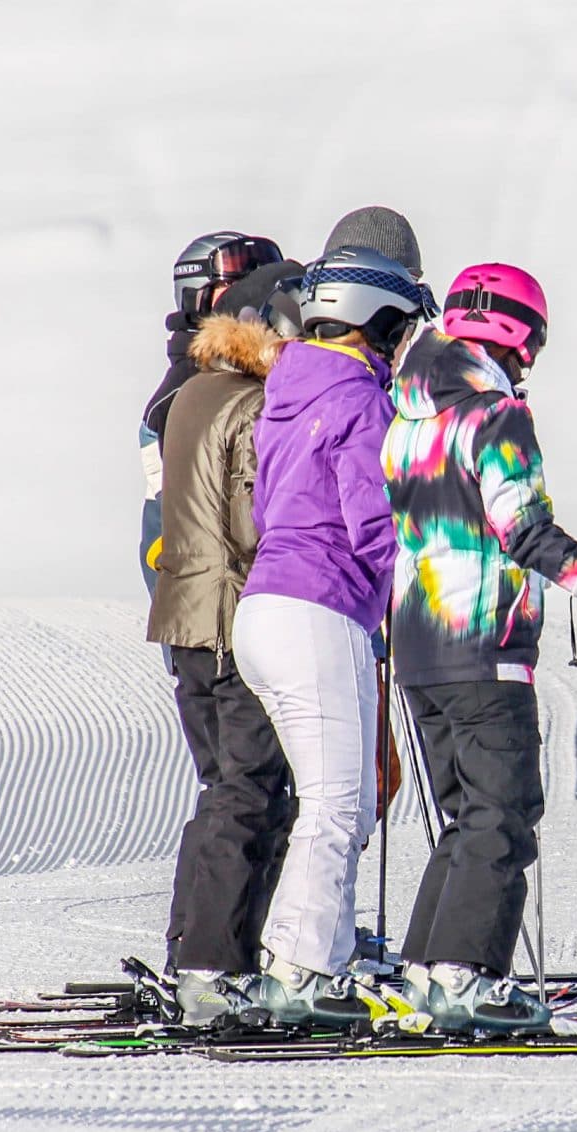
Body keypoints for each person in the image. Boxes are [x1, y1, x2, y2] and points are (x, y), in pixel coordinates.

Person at [382, 262, 577, 1034]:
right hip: (483, 643)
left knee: (467, 814)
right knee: (503, 813)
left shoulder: (407, 418)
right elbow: (528, 534)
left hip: (419, 646)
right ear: (512, 334)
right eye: (532, 345)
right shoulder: (495, 418)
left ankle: (425, 971)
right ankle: (467, 977)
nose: (531, 363)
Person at [234, 217, 441, 1026]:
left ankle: (307, 954)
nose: (403, 345)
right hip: (318, 610)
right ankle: (301, 970)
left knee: (333, 800)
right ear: (375, 319)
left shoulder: (291, 391)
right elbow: (377, 526)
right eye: (401, 328)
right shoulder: (358, 399)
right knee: (337, 803)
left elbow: (266, 508)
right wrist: (432, 598)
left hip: (267, 607)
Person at [148, 259, 306, 1024]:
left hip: (187, 621)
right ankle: (214, 963)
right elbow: (255, 523)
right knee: (252, 790)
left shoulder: (189, 391)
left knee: (224, 789)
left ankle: (198, 951)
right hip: (231, 622)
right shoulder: (253, 404)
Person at [142, 232, 285, 593]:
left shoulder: (232, 375)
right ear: (197, 295)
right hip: (196, 578)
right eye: (234, 285)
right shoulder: (187, 387)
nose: (250, 296)